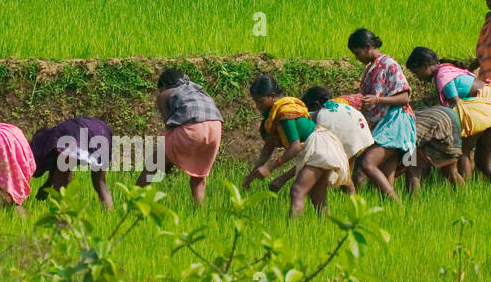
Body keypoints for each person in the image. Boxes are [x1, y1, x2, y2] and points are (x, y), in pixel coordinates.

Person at [241, 76, 353, 217]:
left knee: (297, 190)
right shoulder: (272, 115)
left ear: (272, 97)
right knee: (317, 197)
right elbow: (268, 146)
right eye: (255, 102)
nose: (258, 106)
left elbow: (295, 147)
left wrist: (270, 167)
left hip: (320, 146)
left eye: (260, 101)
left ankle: (290, 230)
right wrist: (253, 173)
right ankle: (327, 228)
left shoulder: (284, 113)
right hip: (319, 146)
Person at [405, 47, 491, 183]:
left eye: (416, 72)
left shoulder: (442, 76)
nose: (417, 77)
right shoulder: (446, 69)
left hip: (484, 106)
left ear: (426, 66)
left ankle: (463, 191)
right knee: (485, 163)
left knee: (462, 151)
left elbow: (456, 104)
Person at [334, 29, 415, 203]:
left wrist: (378, 99)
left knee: (367, 163)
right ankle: (393, 213)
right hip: (384, 124)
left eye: (357, 53)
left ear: (368, 47)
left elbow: (405, 97)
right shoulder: (371, 68)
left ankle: (397, 205)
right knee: (385, 178)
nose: (357, 58)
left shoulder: (388, 64)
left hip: (395, 122)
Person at [137, 68, 223, 205]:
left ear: (164, 86)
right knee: (199, 177)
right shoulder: (196, 89)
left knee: (152, 164)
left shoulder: (164, 94)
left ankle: (134, 200)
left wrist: (166, 159)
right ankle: (199, 212)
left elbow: (169, 124)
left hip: (193, 128)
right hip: (215, 128)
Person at [31, 117, 114, 209]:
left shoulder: (40, 142)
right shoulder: (55, 136)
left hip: (76, 133)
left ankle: (61, 217)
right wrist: (45, 187)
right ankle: (109, 212)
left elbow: (39, 168)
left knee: (61, 182)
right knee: (100, 182)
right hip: (101, 131)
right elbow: (54, 169)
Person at [406, 106, 465, 193]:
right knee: (451, 172)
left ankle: (413, 203)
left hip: (441, 121)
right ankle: (463, 195)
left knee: (413, 170)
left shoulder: (408, 135)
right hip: (444, 114)